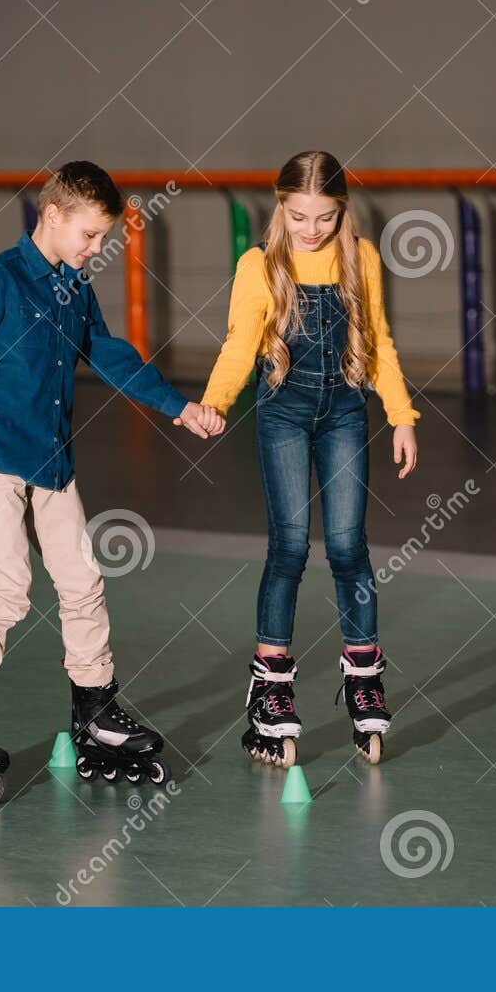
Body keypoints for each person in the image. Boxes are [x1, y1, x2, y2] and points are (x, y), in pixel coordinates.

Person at [0, 161, 224, 801]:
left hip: (53, 464)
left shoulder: (76, 287)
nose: (95, 249)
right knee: (8, 588)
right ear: (51, 216)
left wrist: (180, 408)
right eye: (90, 235)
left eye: (102, 239)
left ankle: (95, 712)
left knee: (82, 581)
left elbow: (109, 355)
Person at [201, 150, 418, 767]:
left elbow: (379, 343)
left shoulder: (362, 259)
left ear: (341, 211)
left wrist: (401, 416)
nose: (311, 229)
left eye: (324, 217)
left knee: (349, 548)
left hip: (347, 412)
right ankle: (270, 687)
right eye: (299, 215)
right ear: (281, 207)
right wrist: (216, 401)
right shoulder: (260, 265)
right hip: (283, 415)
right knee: (290, 547)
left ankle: (365, 673)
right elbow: (241, 343)